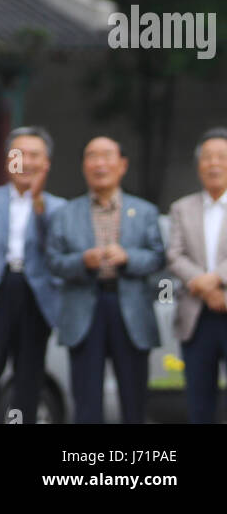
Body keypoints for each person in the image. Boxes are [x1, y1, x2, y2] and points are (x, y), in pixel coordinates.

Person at [46, 137, 165, 424]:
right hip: (85, 305)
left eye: (107, 156)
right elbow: (54, 262)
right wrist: (81, 262)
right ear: (84, 166)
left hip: (130, 308)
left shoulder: (145, 211)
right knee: (86, 402)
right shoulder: (66, 213)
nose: (100, 163)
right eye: (92, 156)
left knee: (134, 400)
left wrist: (128, 258)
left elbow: (159, 258)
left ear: (122, 165)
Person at [0, 127, 65, 423]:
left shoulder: (57, 207)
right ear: (9, 160)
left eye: (35, 155)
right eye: (19, 154)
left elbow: (54, 250)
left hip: (35, 295)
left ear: (46, 163)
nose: (27, 161)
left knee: (29, 379)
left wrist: (38, 203)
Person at [167, 128, 227, 423]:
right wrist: (204, 286)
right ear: (198, 164)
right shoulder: (182, 208)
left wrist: (215, 279)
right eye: (208, 157)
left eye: (222, 157)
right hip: (195, 316)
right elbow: (174, 255)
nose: (214, 163)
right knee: (199, 402)